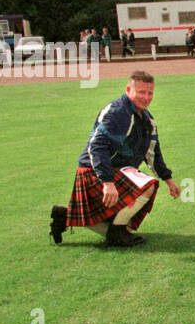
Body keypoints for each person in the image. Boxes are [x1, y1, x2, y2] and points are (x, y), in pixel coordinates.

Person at [49, 71, 182, 247]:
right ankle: (118, 233)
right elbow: (97, 147)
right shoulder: (118, 113)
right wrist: (107, 182)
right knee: (146, 187)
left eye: (150, 93)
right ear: (128, 90)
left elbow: (152, 152)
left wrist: (168, 179)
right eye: (141, 92)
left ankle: (66, 217)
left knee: (123, 222)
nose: (146, 97)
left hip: (117, 171)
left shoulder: (147, 119)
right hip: (94, 171)